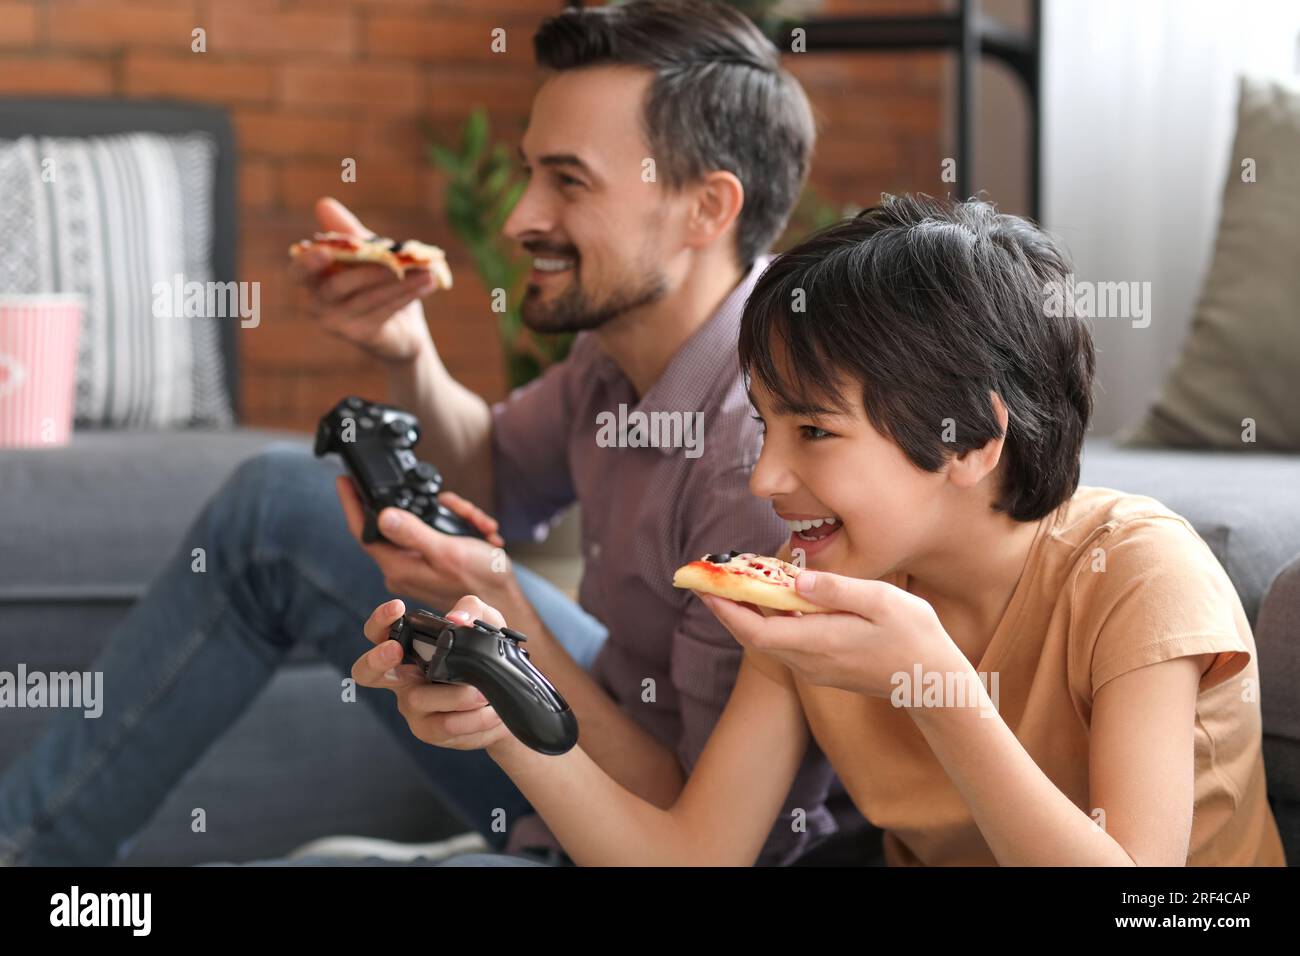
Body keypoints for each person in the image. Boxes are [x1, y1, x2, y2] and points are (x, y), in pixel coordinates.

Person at [0, 0, 841, 867]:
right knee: (279, 500)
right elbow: (493, 484)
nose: (518, 219)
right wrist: (409, 352)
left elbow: (699, 836)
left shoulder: (762, 462)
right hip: (615, 720)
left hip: (658, 830)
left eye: (568, 180)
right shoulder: (624, 345)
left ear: (708, 208)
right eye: (527, 174)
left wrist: (514, 626)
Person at [366, 195, 1287, 866]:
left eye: (813, 431)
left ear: (970, 439)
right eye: (766, 425)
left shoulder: (1137, 574)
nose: (765, 477)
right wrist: (502, 718)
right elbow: (693, 858)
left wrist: (936, 689)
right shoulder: (807, 599)